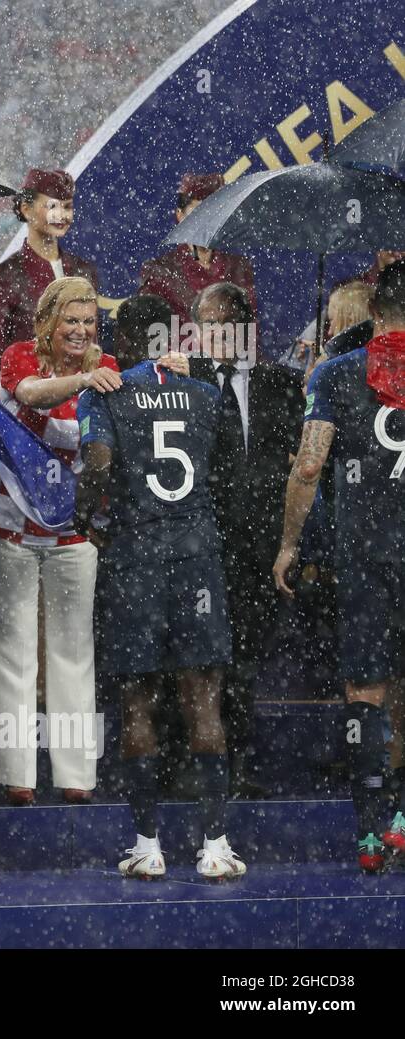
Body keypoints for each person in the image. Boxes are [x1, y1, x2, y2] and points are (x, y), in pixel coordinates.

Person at [76, 295, 246, 880]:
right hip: (196, 556)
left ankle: (148, 845)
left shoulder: (105, 392)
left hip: (135, 558)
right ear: (169, 337)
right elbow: (227, 470)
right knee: (203, 700)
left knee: (138, 702)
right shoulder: (204, 393)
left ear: (119, 343)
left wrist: (87, 516)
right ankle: (216, 845)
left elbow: (97, 463)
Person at [273, 259, 405, 872]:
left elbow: (307, 467)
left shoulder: (338, 373)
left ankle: (370, 830)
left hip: (364, 557)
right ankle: (402, 818)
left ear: (375, 315)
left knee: (366, 687)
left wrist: (289, 544)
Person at [0, 276, 115, 805]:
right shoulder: (18, 357)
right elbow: (30, 395)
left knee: (74, 651)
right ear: (47, 323)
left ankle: (76, 775)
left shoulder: (108, 372)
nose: (80, 330)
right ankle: (17, 774)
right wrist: (84, 380)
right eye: (71, 321)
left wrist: (166, 371)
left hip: (74, 531)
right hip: (10, 523)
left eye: (89, 322)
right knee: (14, 650)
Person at [186, 282, 304, 797]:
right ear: (195, 331)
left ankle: (238, 762)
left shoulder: (282, 384)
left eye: (230, 324)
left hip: (258, 543)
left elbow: (299, 463)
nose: (221, 334)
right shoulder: (179, 380)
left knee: (245, 656)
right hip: (197, 539)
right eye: (210, 324)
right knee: (196, 656)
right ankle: (194, 763)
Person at [0, 170, 99, 389]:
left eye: (68, 207)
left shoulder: (84, 271)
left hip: (79, 399)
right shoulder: (5, 276)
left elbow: (92, 346)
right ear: (26, 210)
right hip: (27, 398)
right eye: (53, 206)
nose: (62, 215)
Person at [139, 174, 258, 327]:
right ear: (180, 215)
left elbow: (250, 332)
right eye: (197, 213)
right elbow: (152, 334)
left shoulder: (239, 268)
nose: (205, 222)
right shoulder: (160, 271)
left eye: (213, 213)